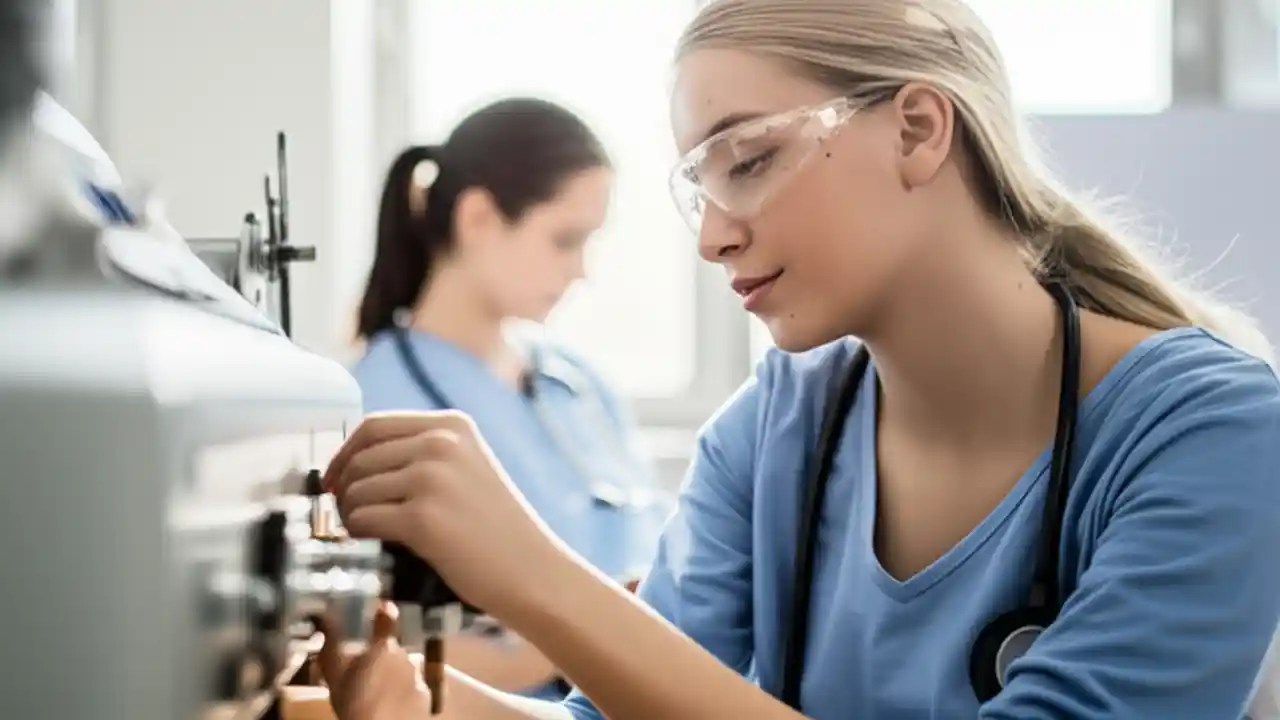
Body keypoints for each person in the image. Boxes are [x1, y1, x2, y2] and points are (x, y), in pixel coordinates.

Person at [321, 1, 1280, 718]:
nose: (712, 238)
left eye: (747, 160)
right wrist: (411, 699)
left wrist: (531, 574)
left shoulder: (1213, 434)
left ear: (916, 129)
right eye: (698, 188)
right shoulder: (773, 429)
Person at [349, 98, 668, 698]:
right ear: (477, 220)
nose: (581, 271)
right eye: (565, 239)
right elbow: (373, 649)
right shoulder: (375, 399)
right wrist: (584, 636)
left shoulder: (581, 383)